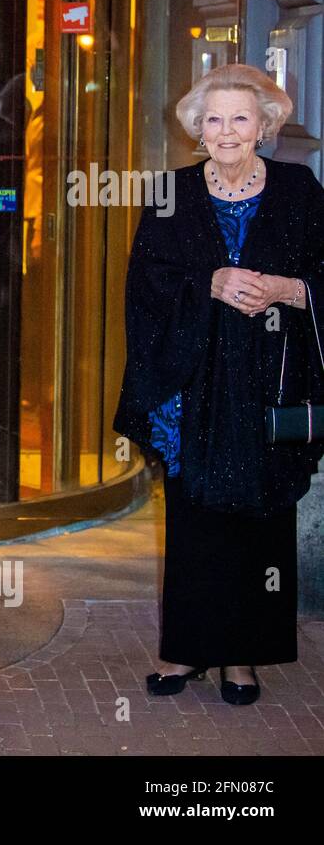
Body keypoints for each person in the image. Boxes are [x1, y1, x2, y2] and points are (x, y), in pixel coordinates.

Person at [115, 63, 324, 706]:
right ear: (196, 130)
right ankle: (184, 650)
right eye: (214, 119)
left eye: (241, 118)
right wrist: (207, 284)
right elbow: (144, 289)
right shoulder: (169, 191)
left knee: (260, 518)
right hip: (193, 383)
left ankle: (243, 657)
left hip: (270, 383)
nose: (227, 131)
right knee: (194, 518)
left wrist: (288, 291)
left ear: (264, 126)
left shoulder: (298, 188)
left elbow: (321, 272)